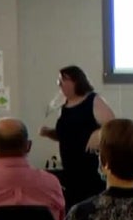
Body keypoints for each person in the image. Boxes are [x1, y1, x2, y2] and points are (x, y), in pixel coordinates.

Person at [39, 65, 115, 208]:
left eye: (63, 80)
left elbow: (113, 127)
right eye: (58, 81)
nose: (59, 84)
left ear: (76, 81)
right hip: (69, 174)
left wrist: (97, 133)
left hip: (89, 174)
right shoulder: (64, 106)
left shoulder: (93, 101)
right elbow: (68, 135)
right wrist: (50, 132)